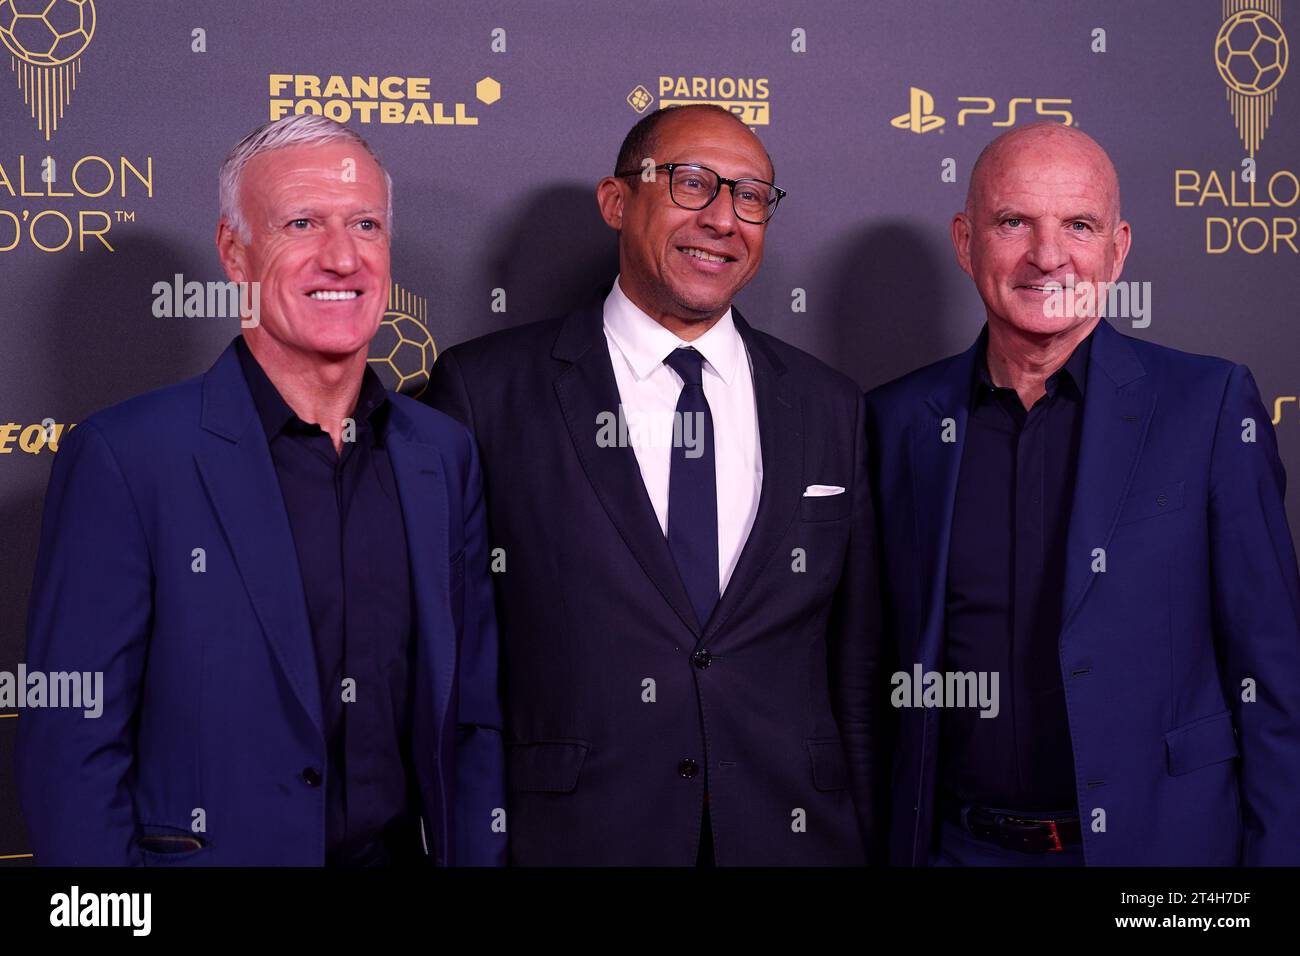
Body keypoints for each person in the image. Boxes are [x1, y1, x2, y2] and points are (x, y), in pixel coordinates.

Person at [18, 114, 504, 866]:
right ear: (234, 252)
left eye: (365, 225)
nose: (341, 257)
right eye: (301, 223)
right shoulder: (127, 457)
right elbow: (72, 746)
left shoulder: (442, 454)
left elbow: (472, 717)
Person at [427, 104, 886, 865]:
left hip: (794, 838)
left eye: (750, 197)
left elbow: (859, 662)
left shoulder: (828, 403)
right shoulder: (486, 390)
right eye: (693, 184)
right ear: (617, 201)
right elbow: (449, 659)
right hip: (573, 840)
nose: (723, 219)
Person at [865, 122, 1300, 866]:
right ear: (966, 241)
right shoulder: (898, 419)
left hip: (1161, 854)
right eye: (1013, 223)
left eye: (1078, 224)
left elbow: (1274, 673)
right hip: (957, 850)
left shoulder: (1208, 405)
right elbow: (873, 670)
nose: (1047, 255)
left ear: (1117, 248)